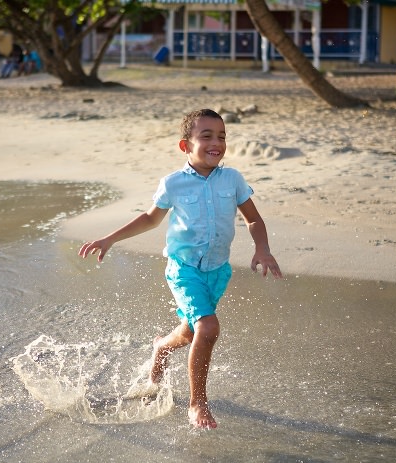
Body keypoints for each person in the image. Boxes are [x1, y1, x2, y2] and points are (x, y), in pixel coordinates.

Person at [79, 109, 282, 429]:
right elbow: (150, 218)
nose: (216, 142)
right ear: (185, 146)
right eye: (206, 136)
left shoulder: (233, 179)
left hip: (217, 272)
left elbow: (253, 218)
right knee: (208, 328)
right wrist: (110, 238)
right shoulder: (173, 184)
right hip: (183, 270)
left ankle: (161, 346)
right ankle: (197, 403)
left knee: (190, 333)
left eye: (222, 136)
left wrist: (263, 248)